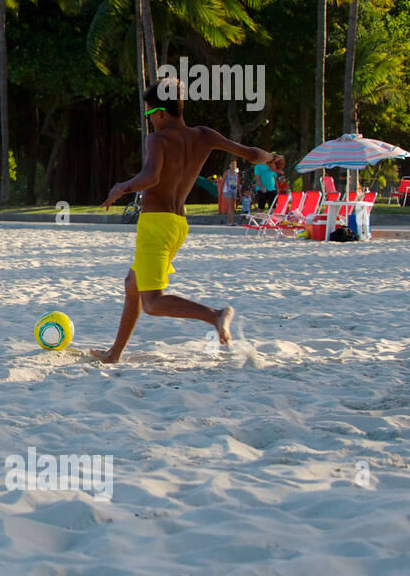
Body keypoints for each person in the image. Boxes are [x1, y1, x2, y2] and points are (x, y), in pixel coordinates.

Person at [93, 78, 284, 364]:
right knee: (133, 284)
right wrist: (272, 157)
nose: (149, 120)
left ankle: (215, 315)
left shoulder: (157, 139)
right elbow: (249, 154)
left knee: (152, 302)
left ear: (160, 112)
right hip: (178, 226)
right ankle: (114, 353)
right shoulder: (203, 135)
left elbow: (151, 178)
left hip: (155, 225)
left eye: (149, 114)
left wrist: (122, 186)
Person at [221, 159, 240, 225]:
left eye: (235, 164)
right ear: (230, 165)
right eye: (232, 164)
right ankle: (230, 221)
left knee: (233, 207)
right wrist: (220, 192)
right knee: (230, 206)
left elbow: (238, 183)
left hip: (234, 191)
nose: (234, 166)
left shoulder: (236, 173)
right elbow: (222, 182)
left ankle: (231, 221)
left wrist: (239, 193)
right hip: (227, 190)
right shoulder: (227, 172)